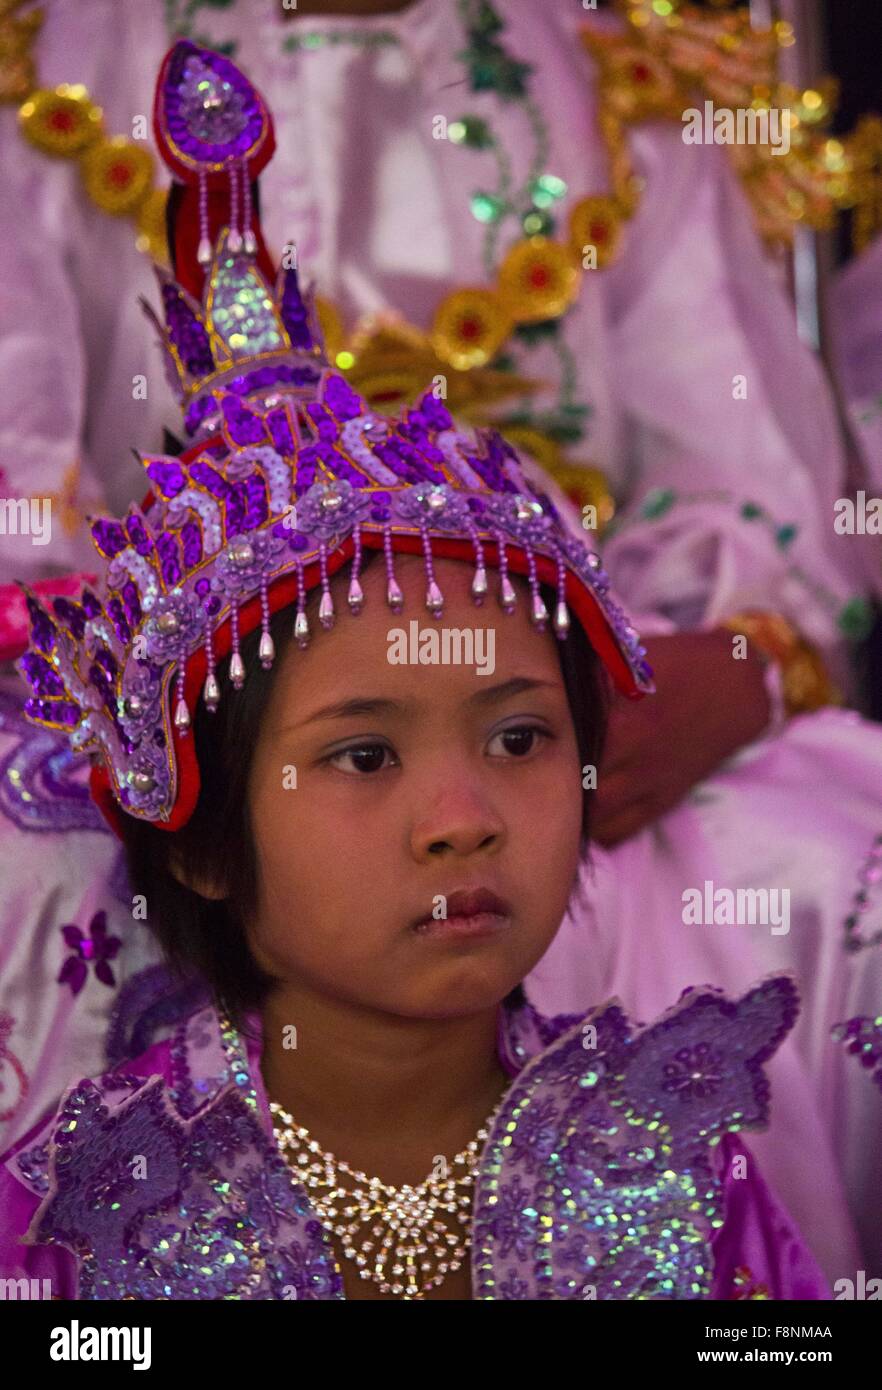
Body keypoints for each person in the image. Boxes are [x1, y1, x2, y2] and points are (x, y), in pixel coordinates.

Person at [1, 6, 880, 1279]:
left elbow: (761, 497)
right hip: (194, 685)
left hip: (587, 681)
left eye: (506, 758)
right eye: (369, 765)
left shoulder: (685, 1181)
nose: (456, 818)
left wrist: (718, 667)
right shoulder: (90, 1219)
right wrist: (197, 668)